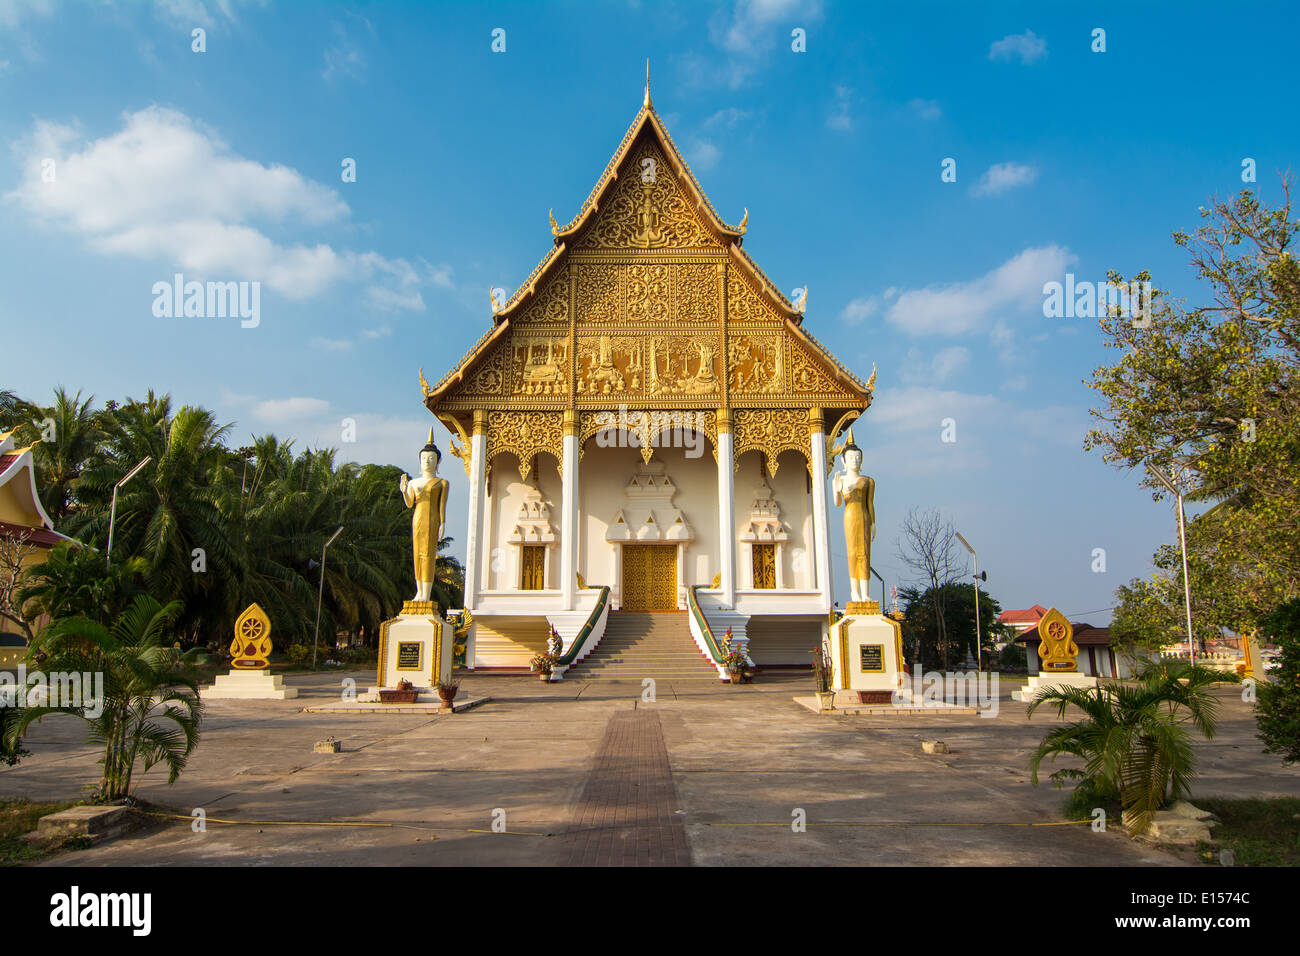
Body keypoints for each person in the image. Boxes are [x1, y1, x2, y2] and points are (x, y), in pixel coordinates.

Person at [400, 428, 449, 602]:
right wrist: (404, 491)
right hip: (418, 518)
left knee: (428, 554)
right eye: (424, 459)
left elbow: (442, 505)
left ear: (438, 461)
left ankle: (426, 595)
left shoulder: (442, 483)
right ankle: (418, 591)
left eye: (431, 459)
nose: (427, 462)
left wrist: (442, 523)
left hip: (433, 518)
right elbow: (409, 503)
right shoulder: (414, 482)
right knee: (417, 554)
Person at [832, 429, 875, 603]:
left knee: (865, 554)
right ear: (844, 461)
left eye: (857, 458)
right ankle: (854, 593)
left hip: (864, 516)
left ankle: (865, 594)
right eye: (851, 458)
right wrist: (836, 489)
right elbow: (837, 503)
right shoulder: (840, 480)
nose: (855, 461)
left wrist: (874, 523)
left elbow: (870, 504)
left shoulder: (868, 481)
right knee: (852, 553)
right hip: (849, 517)